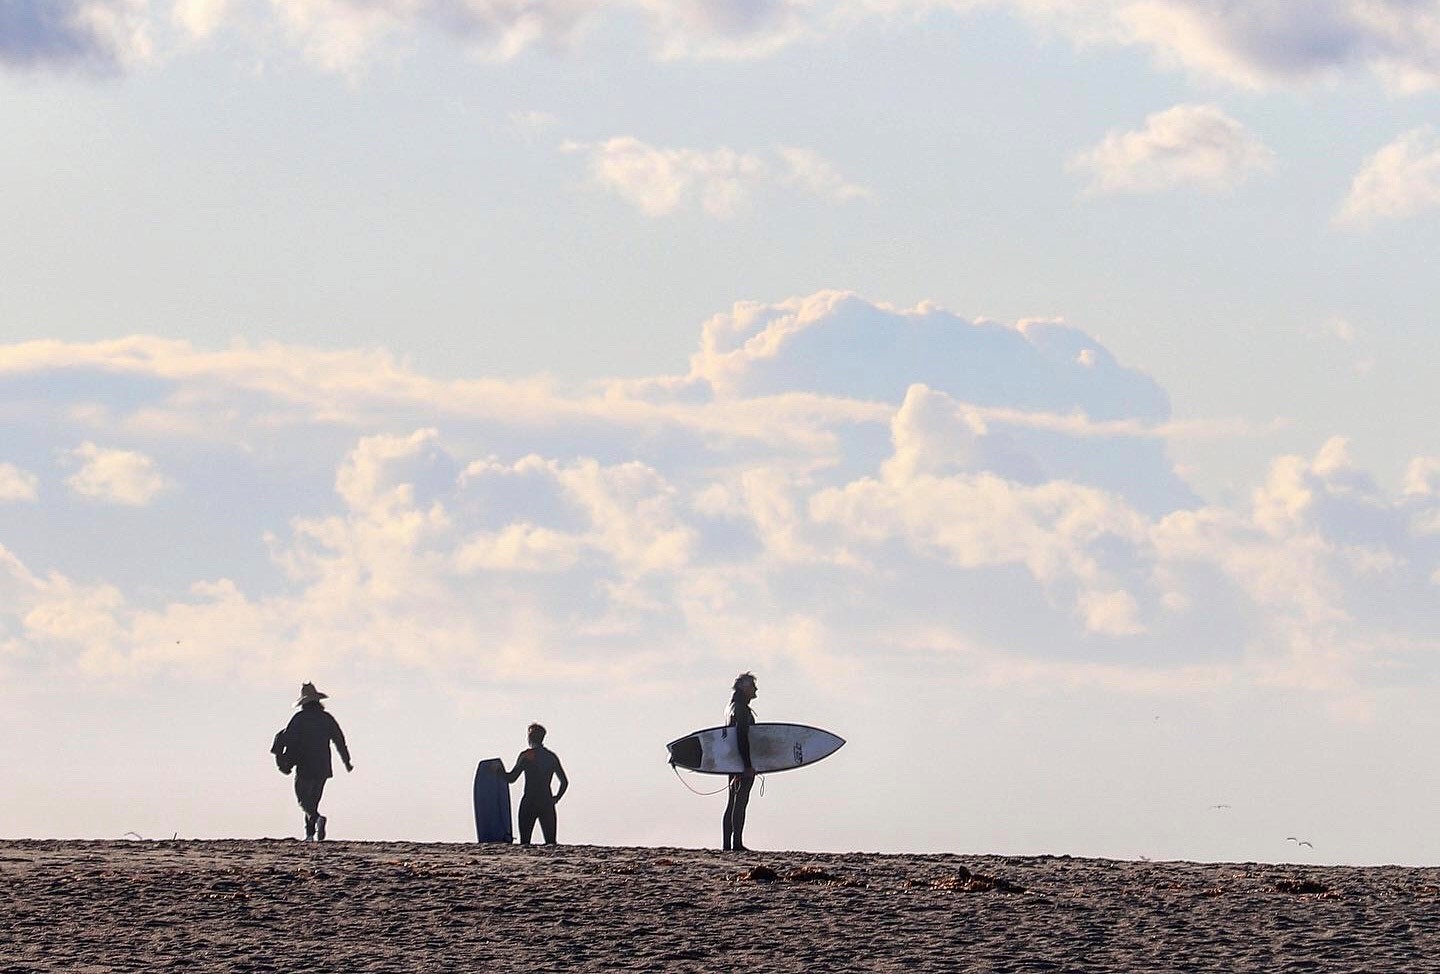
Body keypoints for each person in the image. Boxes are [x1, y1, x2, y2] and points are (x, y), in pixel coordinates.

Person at [278, 682, 353, 841]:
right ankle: (310, 834)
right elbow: (339, 741)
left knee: (303, 799)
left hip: (305, 765)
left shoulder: (299, 719)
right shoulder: (326, 719)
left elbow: (289, 740)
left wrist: (285, 761)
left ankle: (316, 820)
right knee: (314, 799)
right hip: (323, 766)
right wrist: (346, 761)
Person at [504, 723, 568, 845]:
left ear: (529, 738)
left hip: (529, 802)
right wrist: (556, 798)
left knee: (525, 843)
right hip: (546, 802)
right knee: (551, 843)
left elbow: (511, 778)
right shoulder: (551, 757)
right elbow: (564, 782)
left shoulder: (527, 755)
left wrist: (498, 772)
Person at [723, 672, 758, 852]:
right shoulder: (741, 709)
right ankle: (736, 843)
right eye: (753, 687)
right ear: (744, 688)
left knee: (732, 801)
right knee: (740, 800)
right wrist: (747, 765)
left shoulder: (731, 706)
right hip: (740, 761)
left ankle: (727, 845)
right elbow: (742, 736)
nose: (756, 691)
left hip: (731, 760)